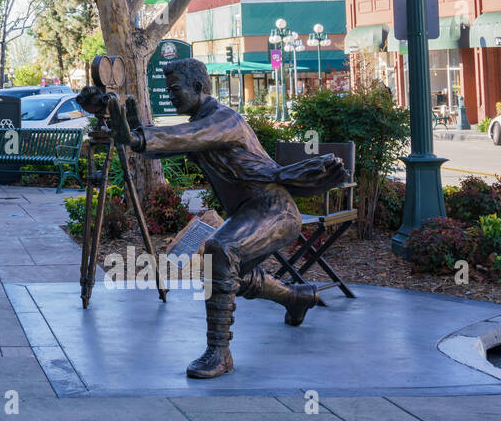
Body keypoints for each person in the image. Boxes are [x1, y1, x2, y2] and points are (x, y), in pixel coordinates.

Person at [111, 58, 347, 379]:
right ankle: (295, 297)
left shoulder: (224, 121)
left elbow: (185, 137)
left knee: (220, 251)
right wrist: (133, 131)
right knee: (231, 271)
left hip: (274, 210)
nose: (171, 95)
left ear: (198, 87)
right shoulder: (200, 122)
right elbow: (164, 147)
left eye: (175, 88)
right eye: (168, 90)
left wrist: (138, 137)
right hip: (253, 211)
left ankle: (219, 354)